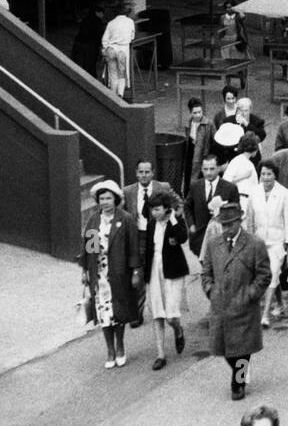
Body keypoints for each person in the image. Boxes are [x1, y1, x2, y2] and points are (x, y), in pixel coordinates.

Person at [201, 199, 272, 401]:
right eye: (224, 224)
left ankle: (238, 382)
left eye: (231, 223)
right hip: (221, 306)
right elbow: (206, 272)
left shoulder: (254, 244)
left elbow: (264, 275)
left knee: (243, 349)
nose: (227, 228)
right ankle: (239, 372)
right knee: (224, 348)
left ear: (240, 221)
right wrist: (210, 290)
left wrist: (249, 295)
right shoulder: (214, 244)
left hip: (244, 307)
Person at [80, 178, 142, 367]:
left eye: (108, 198)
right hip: (99, 273)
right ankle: (110, 350)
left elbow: (133, 248)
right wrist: (85, 270)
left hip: (118, 272)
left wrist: (135, 272)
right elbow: (89, 249)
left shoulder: (125, 219)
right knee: (103, 311)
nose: (105, 202)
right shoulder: (93, 220)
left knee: (119, 310)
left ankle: (121, 346)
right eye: (101, 199)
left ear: (115, 199)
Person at [244, 159, 288, 327]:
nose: (266, 178)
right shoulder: (254, 192)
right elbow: (250, 218)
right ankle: (280, 304)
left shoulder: (284, 193)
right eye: (263, 174)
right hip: (259, 241)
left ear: (275, 175)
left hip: (277, 241)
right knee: (265, 275)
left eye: (269, 174)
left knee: (273, 273)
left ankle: (265, 314)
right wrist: (249, 239)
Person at [142, 191, 188, 369]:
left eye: (158, 209)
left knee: (171, 315)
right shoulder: (152, 225)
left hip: (172, 271)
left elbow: (182, 237)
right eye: (152, 210)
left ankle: (178, 330)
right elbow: (148, 249)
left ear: (166, 208)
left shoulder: (175, 221)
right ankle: (160, 354)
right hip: (154, 270)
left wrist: (174, 218)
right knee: (157, 312)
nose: (154, 213)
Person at [184, 155, 238, 261]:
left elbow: (236, 212)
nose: (208, 172)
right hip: (199, 237)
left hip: (221, 237)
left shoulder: (230, 188)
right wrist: (191, 226)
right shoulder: (195, 186)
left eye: (212, 169)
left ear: (218, 168)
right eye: (205, 169)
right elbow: (187, 206)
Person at [100, 5, 135, 96]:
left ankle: (113, 95)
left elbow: (104, 39)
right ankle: (120, 93)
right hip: (123, 50)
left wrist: (105, 48)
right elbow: (132, 36)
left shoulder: (111, 23)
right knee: (122, 73)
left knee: (113, 74)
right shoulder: (130, 22)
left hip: (111, 49)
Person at [182, 97, 212, 194]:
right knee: (188, 176)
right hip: (190, 153)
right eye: (195, 113)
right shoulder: (189, 123)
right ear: (190, 113)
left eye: (200, 112)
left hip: (202, 155)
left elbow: (213, 141)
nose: (198, 115)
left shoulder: (208, 123)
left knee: (198, 179)